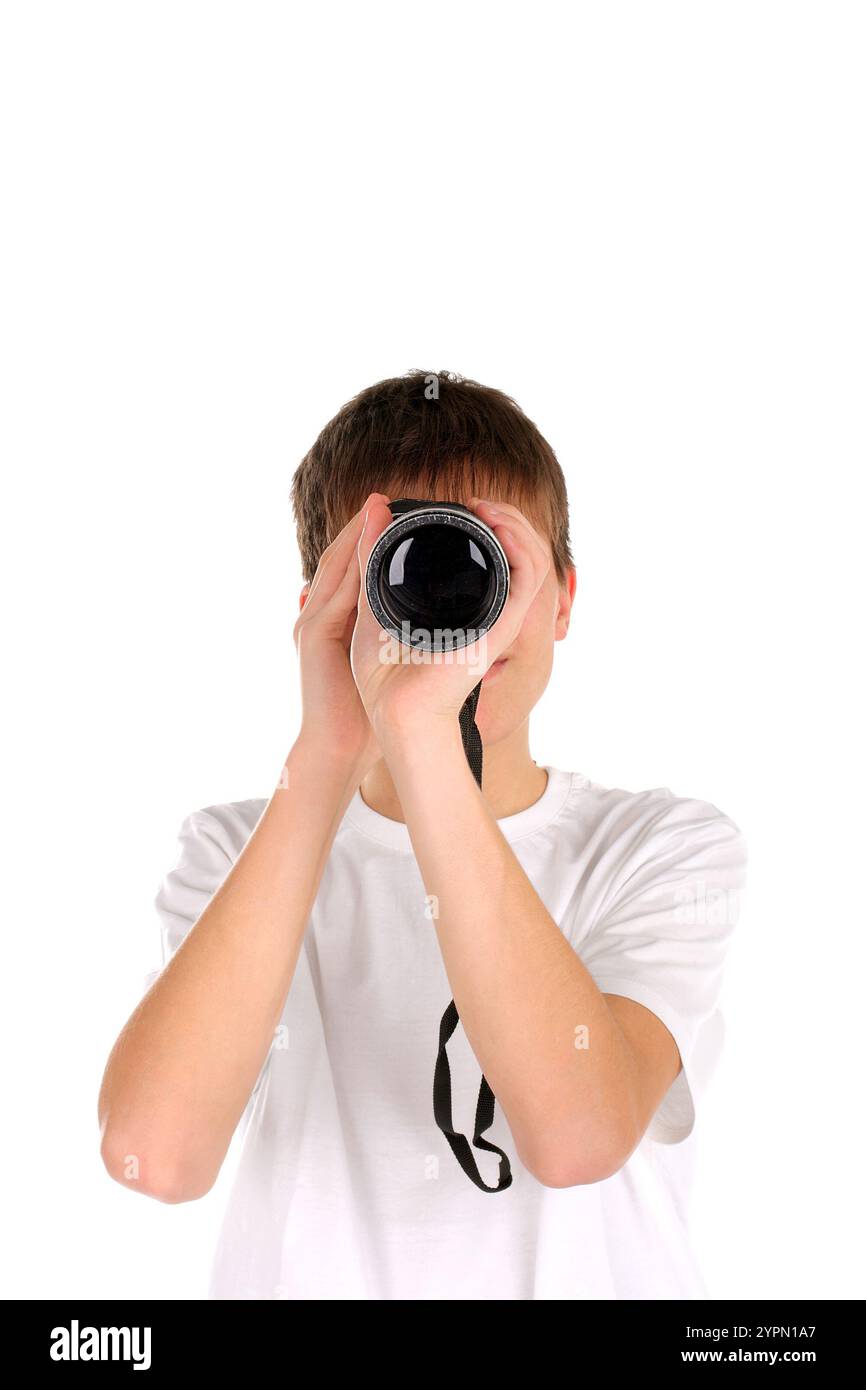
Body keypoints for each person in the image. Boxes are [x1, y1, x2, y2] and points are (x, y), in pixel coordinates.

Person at [98, 369, 747, 1300]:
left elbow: (577, 1138)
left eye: (483, 569)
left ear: (560, 599)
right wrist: (330, 747)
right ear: (326, 604)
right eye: (406, 570)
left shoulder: (660, 847)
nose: (446, 607)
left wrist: (423, 734)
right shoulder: (237, 849)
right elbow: (151, 1158)